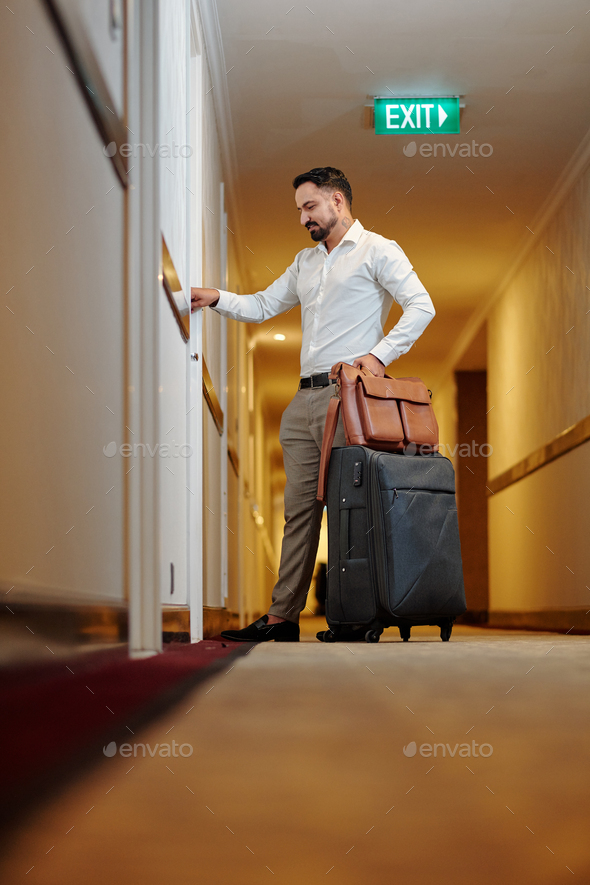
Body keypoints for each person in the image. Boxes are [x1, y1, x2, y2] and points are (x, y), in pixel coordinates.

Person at [190, 167, 435, 642]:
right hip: (302, 402)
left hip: (349, 397)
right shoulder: (305, 262)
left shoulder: (377, 250)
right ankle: (283, 618)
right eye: (300, 210)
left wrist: (377, 356)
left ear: (337, 201)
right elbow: (262, 305)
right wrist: (215, 297)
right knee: (300, 511)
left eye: (310, 207)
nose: (304, 218)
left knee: (351, 506)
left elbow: (421, 305)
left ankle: (355, 615)